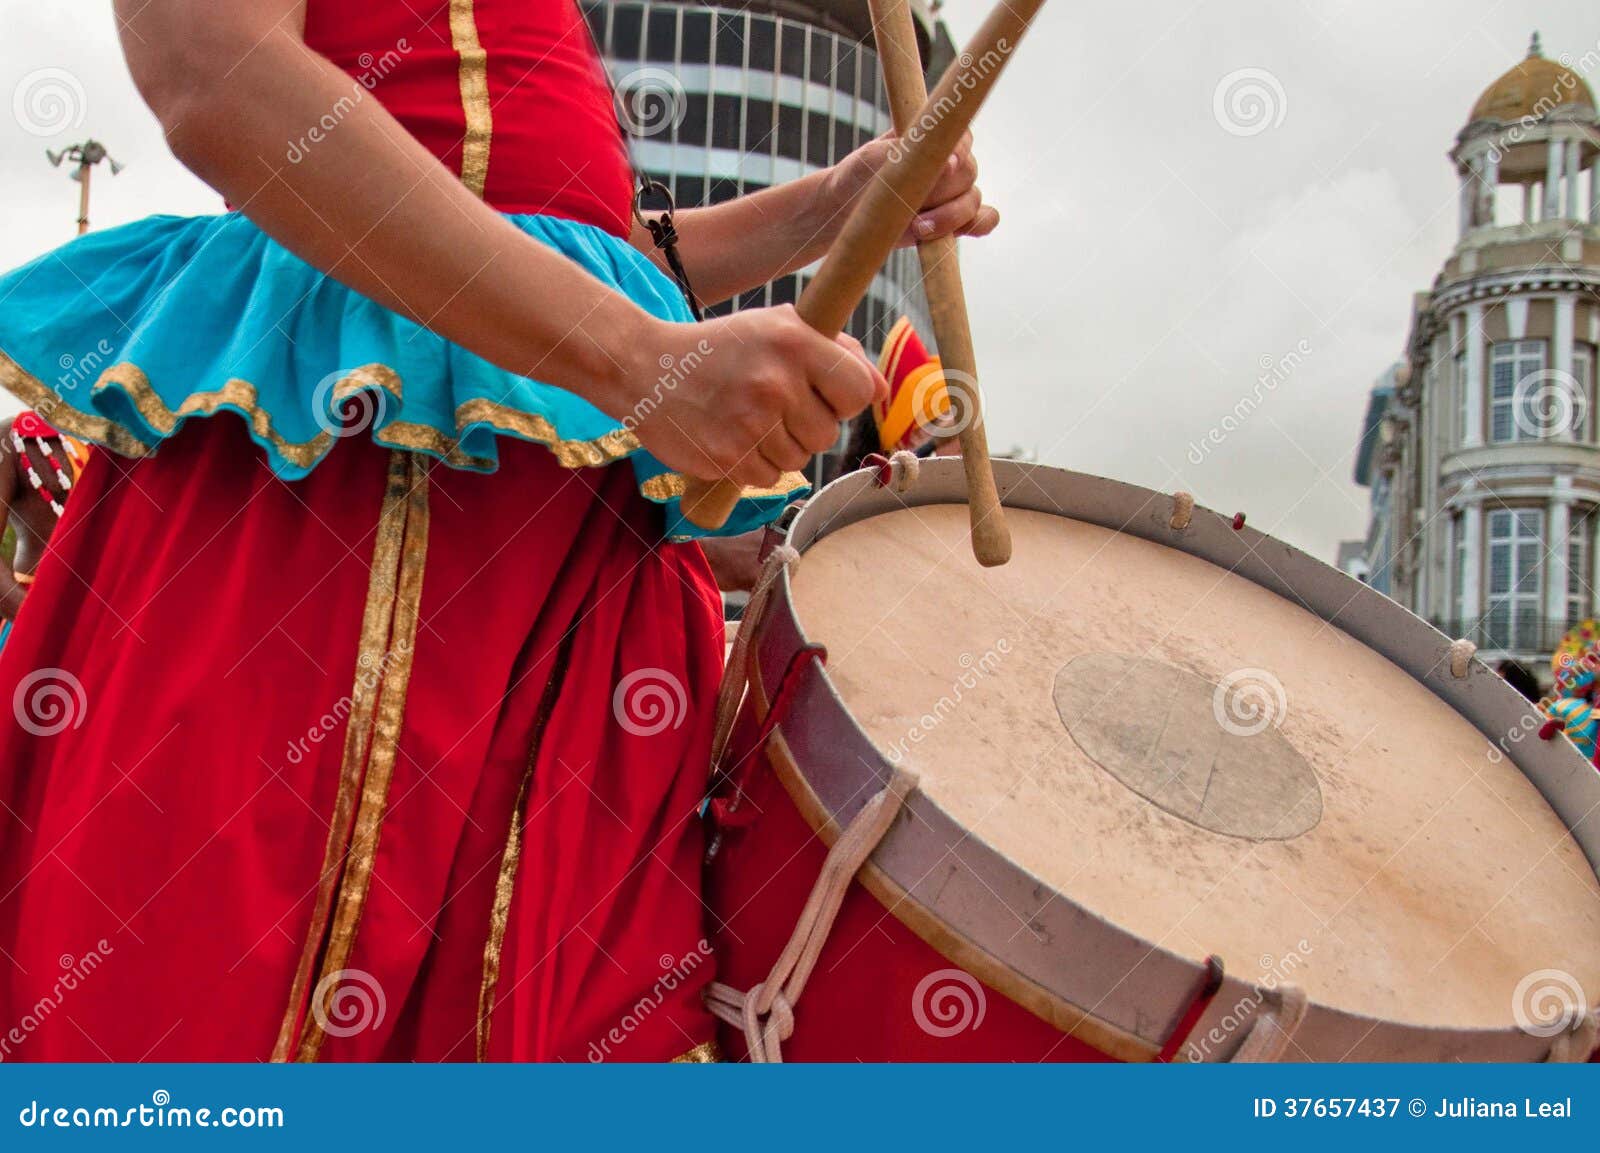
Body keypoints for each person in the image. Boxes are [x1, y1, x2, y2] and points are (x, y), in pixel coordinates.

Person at [0, 0, 994, 1062]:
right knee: (222, 1008)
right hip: (345, 490)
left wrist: (834, 208)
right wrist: (641, 365)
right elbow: (217, 77)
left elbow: (551, 230)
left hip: (562, 558)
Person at [0, 411, 88, 650]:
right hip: (35, 615)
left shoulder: (138, 441)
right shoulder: (12, 439)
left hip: (119, 620)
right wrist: (40, 625)